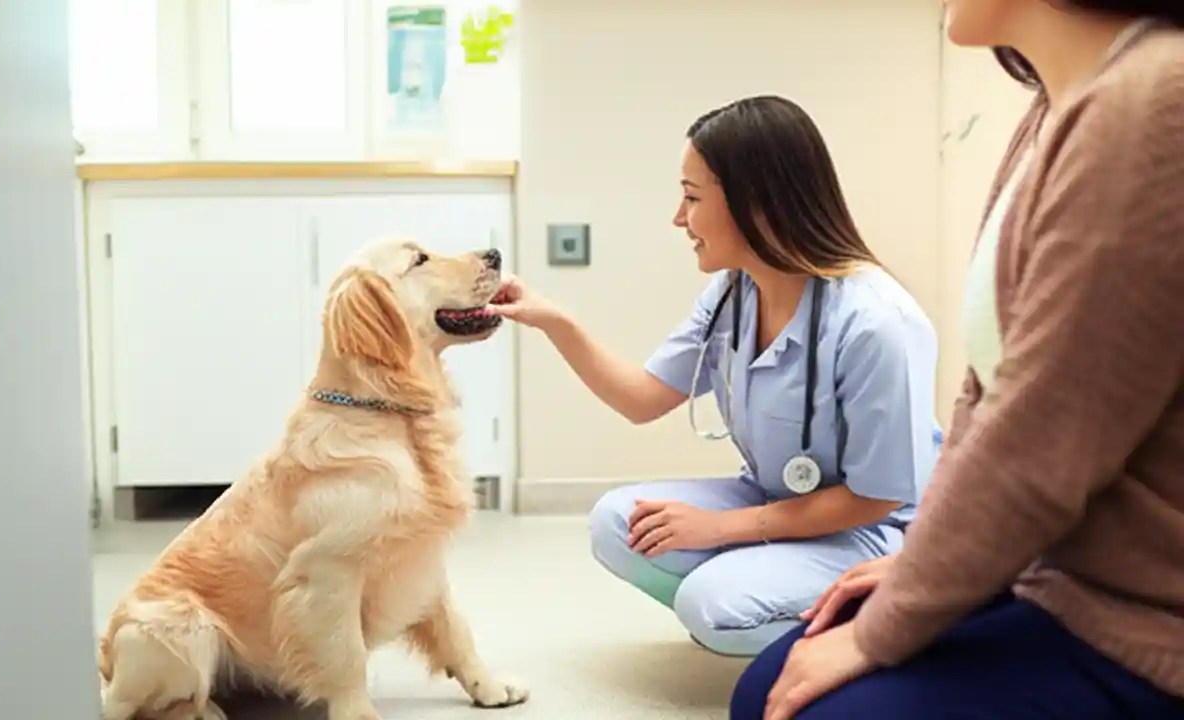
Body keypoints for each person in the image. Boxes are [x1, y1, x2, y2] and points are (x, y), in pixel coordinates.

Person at [731, 4, 1184, 720]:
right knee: (766, 685)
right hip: (1052, 572)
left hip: (1146, 621)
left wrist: (896, 618)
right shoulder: (1053, 110)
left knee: (813, 709)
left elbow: (1034, 448)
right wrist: (924, 568)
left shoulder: (1154, 104)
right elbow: (986, 395)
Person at [490, 95, 942, 657]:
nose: (679, 219)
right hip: (778, 497)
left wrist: (721, 530)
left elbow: (875, 499)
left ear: (756, 201)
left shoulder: (877, 325)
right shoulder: (734, 293)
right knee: (619, 523)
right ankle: (778, 591)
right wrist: (554, 321)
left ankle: (895, 628)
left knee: (715, 604)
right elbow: (643, 398)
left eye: (691, 198)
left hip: (877, 534)